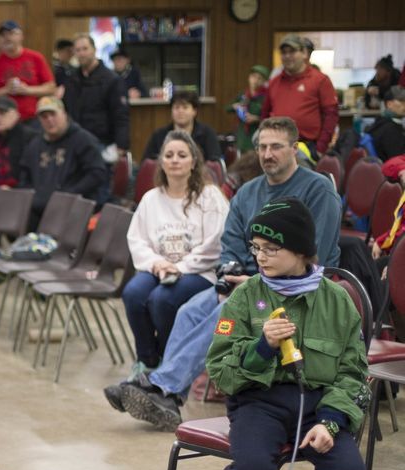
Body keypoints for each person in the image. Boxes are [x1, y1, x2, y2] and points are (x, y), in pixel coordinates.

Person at [104, 117, 342, 431]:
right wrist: (227, 276)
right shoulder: (248, 192)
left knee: (226, 314)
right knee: (189, 311)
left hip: (299, 289)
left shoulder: (318, 189)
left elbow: (316, 255)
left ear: (294, 150)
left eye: (276, 147)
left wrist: (256, 284)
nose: (267, 154)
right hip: (249, 282)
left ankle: (163, 387)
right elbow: (230, 241)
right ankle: (168, 393)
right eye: (262, 147)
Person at [204, 198, 368, 470]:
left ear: (300, 251)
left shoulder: (337, 300)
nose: (259, 257)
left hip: (318, 407)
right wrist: (261, 347)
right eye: (256, 248)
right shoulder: (246, 298)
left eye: (270, 249)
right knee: (252, 469)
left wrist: (332, 421)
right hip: (259, 403)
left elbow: (353, 373)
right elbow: (220, 372)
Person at [120, 130, 227, 373]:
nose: (175, 160)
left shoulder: (210, 197)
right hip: (159, 268)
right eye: (169, 155)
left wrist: (179, 268)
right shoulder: (151, 199)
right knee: (133, 294)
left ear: (193, 162)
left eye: (182, 155)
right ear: (161, 162)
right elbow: (136, 240)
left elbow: (215, 244)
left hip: (200, 271)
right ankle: (147, 363)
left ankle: (171, 362)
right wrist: (157, 264)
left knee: (162, 300)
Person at [18, 96, 109, 228]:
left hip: (74, 207)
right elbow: (24, 177)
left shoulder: (83, 140)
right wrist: (32, 197)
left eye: (53, 114)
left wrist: (69, 194)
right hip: (38, 208)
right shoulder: (34, 145)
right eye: (44, 117)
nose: (49, 120)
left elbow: (97, 174)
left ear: (64, 114)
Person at [260, 35, 338, 159]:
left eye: (292, 51)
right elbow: (264, 115)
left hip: (305, 146)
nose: (287, 56)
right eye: (284, 53)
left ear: (304, 54)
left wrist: (320, 148)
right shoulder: (274, 82)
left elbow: (331, 116)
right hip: (275, 146)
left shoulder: (320, 80)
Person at [64, 34, 130, 164]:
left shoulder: (112, 80)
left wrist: (121, 146)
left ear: (94, 50)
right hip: (74, 143)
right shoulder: (72, 79)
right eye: (78, 50)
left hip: (102, 143)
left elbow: (121, 115)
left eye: (85, 49)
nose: (82, 53)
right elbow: (67, 111)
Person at [0, 21, 56, 122]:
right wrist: (6, 89)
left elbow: (51, 88)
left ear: (21, 36)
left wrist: (27, 90)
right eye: (3, 35)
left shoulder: (36, 58)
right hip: (5, 121)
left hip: (33, 119)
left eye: (11, 33)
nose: (7, 38)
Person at [142, 90, 221, 163]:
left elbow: (214, 163)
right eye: (176, 107)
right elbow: (148, 164)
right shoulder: (159, 135)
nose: (180, 111)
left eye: (185, 107)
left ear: (194, 111)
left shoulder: (207, 134)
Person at [227, 65, 270, 154]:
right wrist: (235, 106)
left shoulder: (266, 97)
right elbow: (227, 108)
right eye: (253, 76)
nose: (255, 80)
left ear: (264, 81)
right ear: (249, 78)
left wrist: (257, 119)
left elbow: (271, 117)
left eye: (260, 78)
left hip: (257, 137)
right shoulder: (243, 95)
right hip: (242, 137)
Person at [364, 85, 405, 161]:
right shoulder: (391, 130)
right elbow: (398, 161)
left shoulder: (380, 122)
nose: (404, 104)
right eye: (402, 101)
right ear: (389, 104)